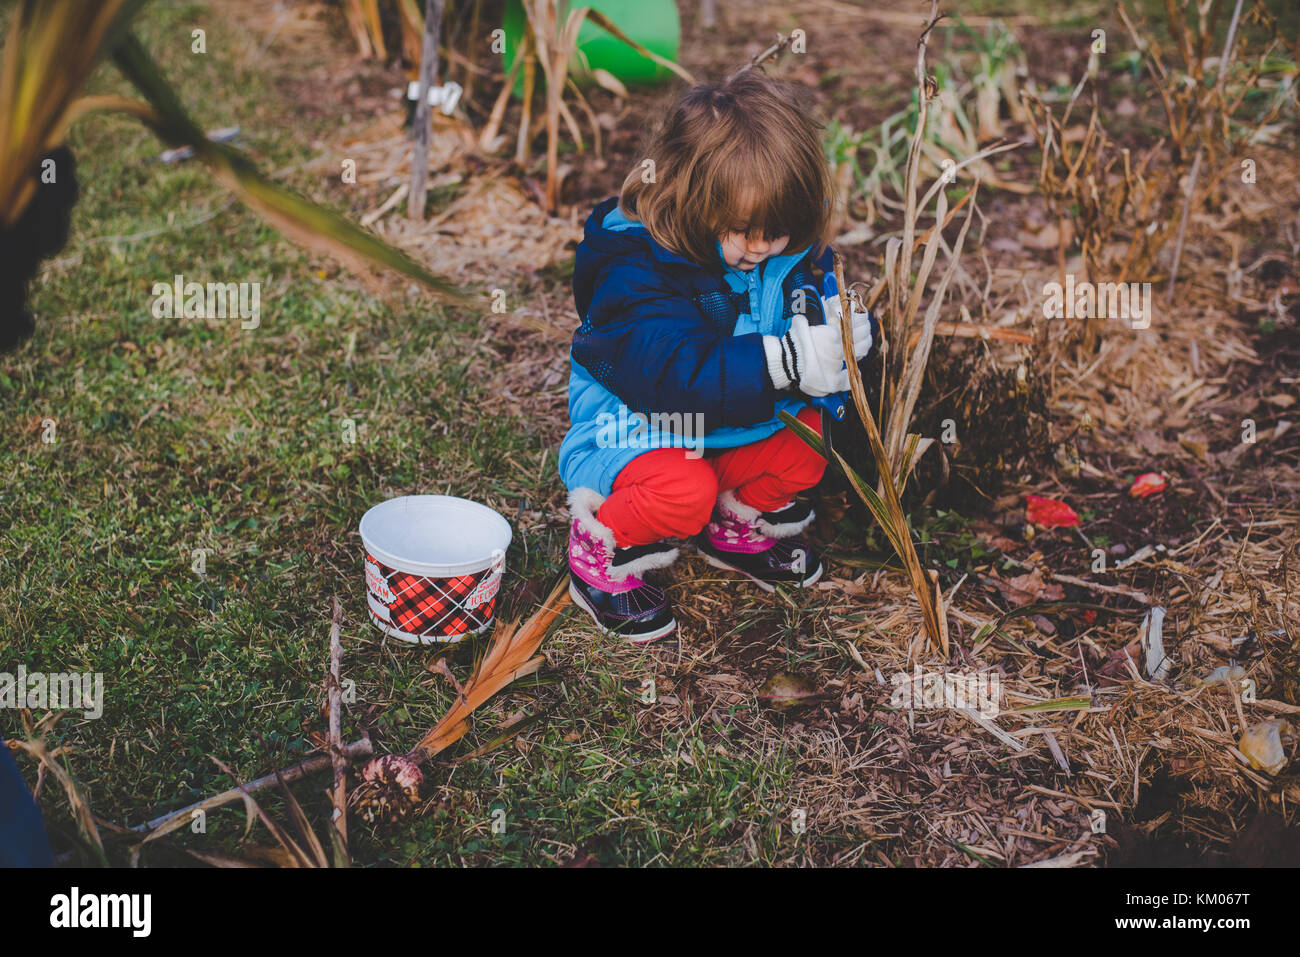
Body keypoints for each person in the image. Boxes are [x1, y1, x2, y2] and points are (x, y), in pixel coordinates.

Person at [559, 68, 876, 643]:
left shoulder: (787, 254)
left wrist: (841, 336)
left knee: (808, 438)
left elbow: (811, 302)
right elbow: (682, 376)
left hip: (727, 425)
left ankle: (731, 525)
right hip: (636, 431)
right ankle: (600, 548)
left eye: (778, 229)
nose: (762, 247)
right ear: (689, 196)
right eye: (742, 229)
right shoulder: (634, 270)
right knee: (684, 492)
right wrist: (786, 362)